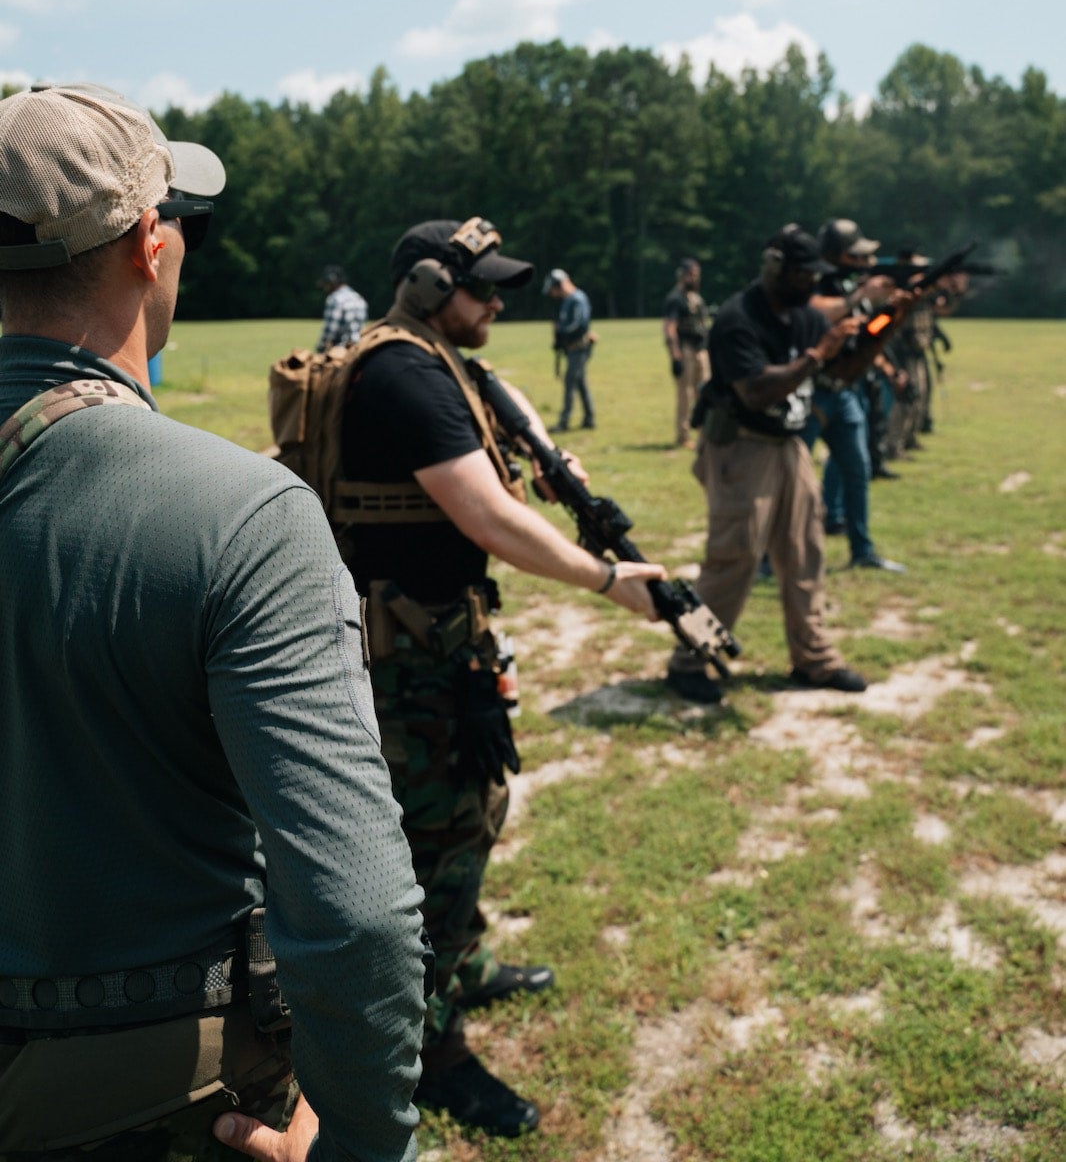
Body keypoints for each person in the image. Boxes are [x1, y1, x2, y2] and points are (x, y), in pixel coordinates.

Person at [0, 84, 425, 1162]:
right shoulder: (242, 513)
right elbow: (358, 911)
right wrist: (365, 1147)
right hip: (152, 1099)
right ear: (150, 242)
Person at [339, 219, 664, 1137]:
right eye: (483, 288)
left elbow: (503, 470)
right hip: (412, 662)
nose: (499, 303)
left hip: (439, 645)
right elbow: (485, 516)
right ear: (434, 285)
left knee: (469, 815)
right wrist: (604, 580)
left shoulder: (438, 363)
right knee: (434, 844)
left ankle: (461, 969)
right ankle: (433, 1055)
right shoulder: (405, 373)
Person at [668, 225, 869, 703]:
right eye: (804, 274)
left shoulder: (804, 316)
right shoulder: (739, 318)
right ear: (776, 268)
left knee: (806, 552)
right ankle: (688, 658)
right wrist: (819, 354)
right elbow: (757, 391)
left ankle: (812, 658)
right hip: (740, 446)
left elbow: (839, 372)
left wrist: (880, 330)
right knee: (730, 558)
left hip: (789, 446)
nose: (813, 285)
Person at [804, 219, 907, 573]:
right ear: (837, 255)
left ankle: (862, 549)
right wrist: (860, 297)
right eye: (855, 256)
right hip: (811, 393)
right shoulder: (814, 285)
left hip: (844, 393)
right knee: (792, 478)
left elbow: (868, 332)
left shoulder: (851, 288)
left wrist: (892, 311)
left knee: (857, 471)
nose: (864, 263)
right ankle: (771, 558)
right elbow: (815, 311)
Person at [662, 257, 711, 447]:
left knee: (704, 392)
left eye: (697, 275)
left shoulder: (697, 298)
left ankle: (705, 433)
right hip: (686, 350)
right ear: (682, 276)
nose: (695, 278)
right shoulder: (675, 299)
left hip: (701, 350)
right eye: (691, 274)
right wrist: (675, 355)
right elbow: (669, 328)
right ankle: (683, 436)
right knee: (685, 394)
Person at [543, 267, 595, 431]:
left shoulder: (577, 299)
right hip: (572, 349)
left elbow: (578, 325)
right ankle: (589, 418)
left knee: (570, 382)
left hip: (579, 348)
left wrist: (560, 332)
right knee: (580, 383)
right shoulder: (567, 300)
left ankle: (564, 421)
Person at [316, 263, 368, 351]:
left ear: (332, 282)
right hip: (359, 348)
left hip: (341, 350)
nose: (325, 287)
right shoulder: (358, 297)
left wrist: (320, 348)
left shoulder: (335, 299)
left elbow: (330, 330)